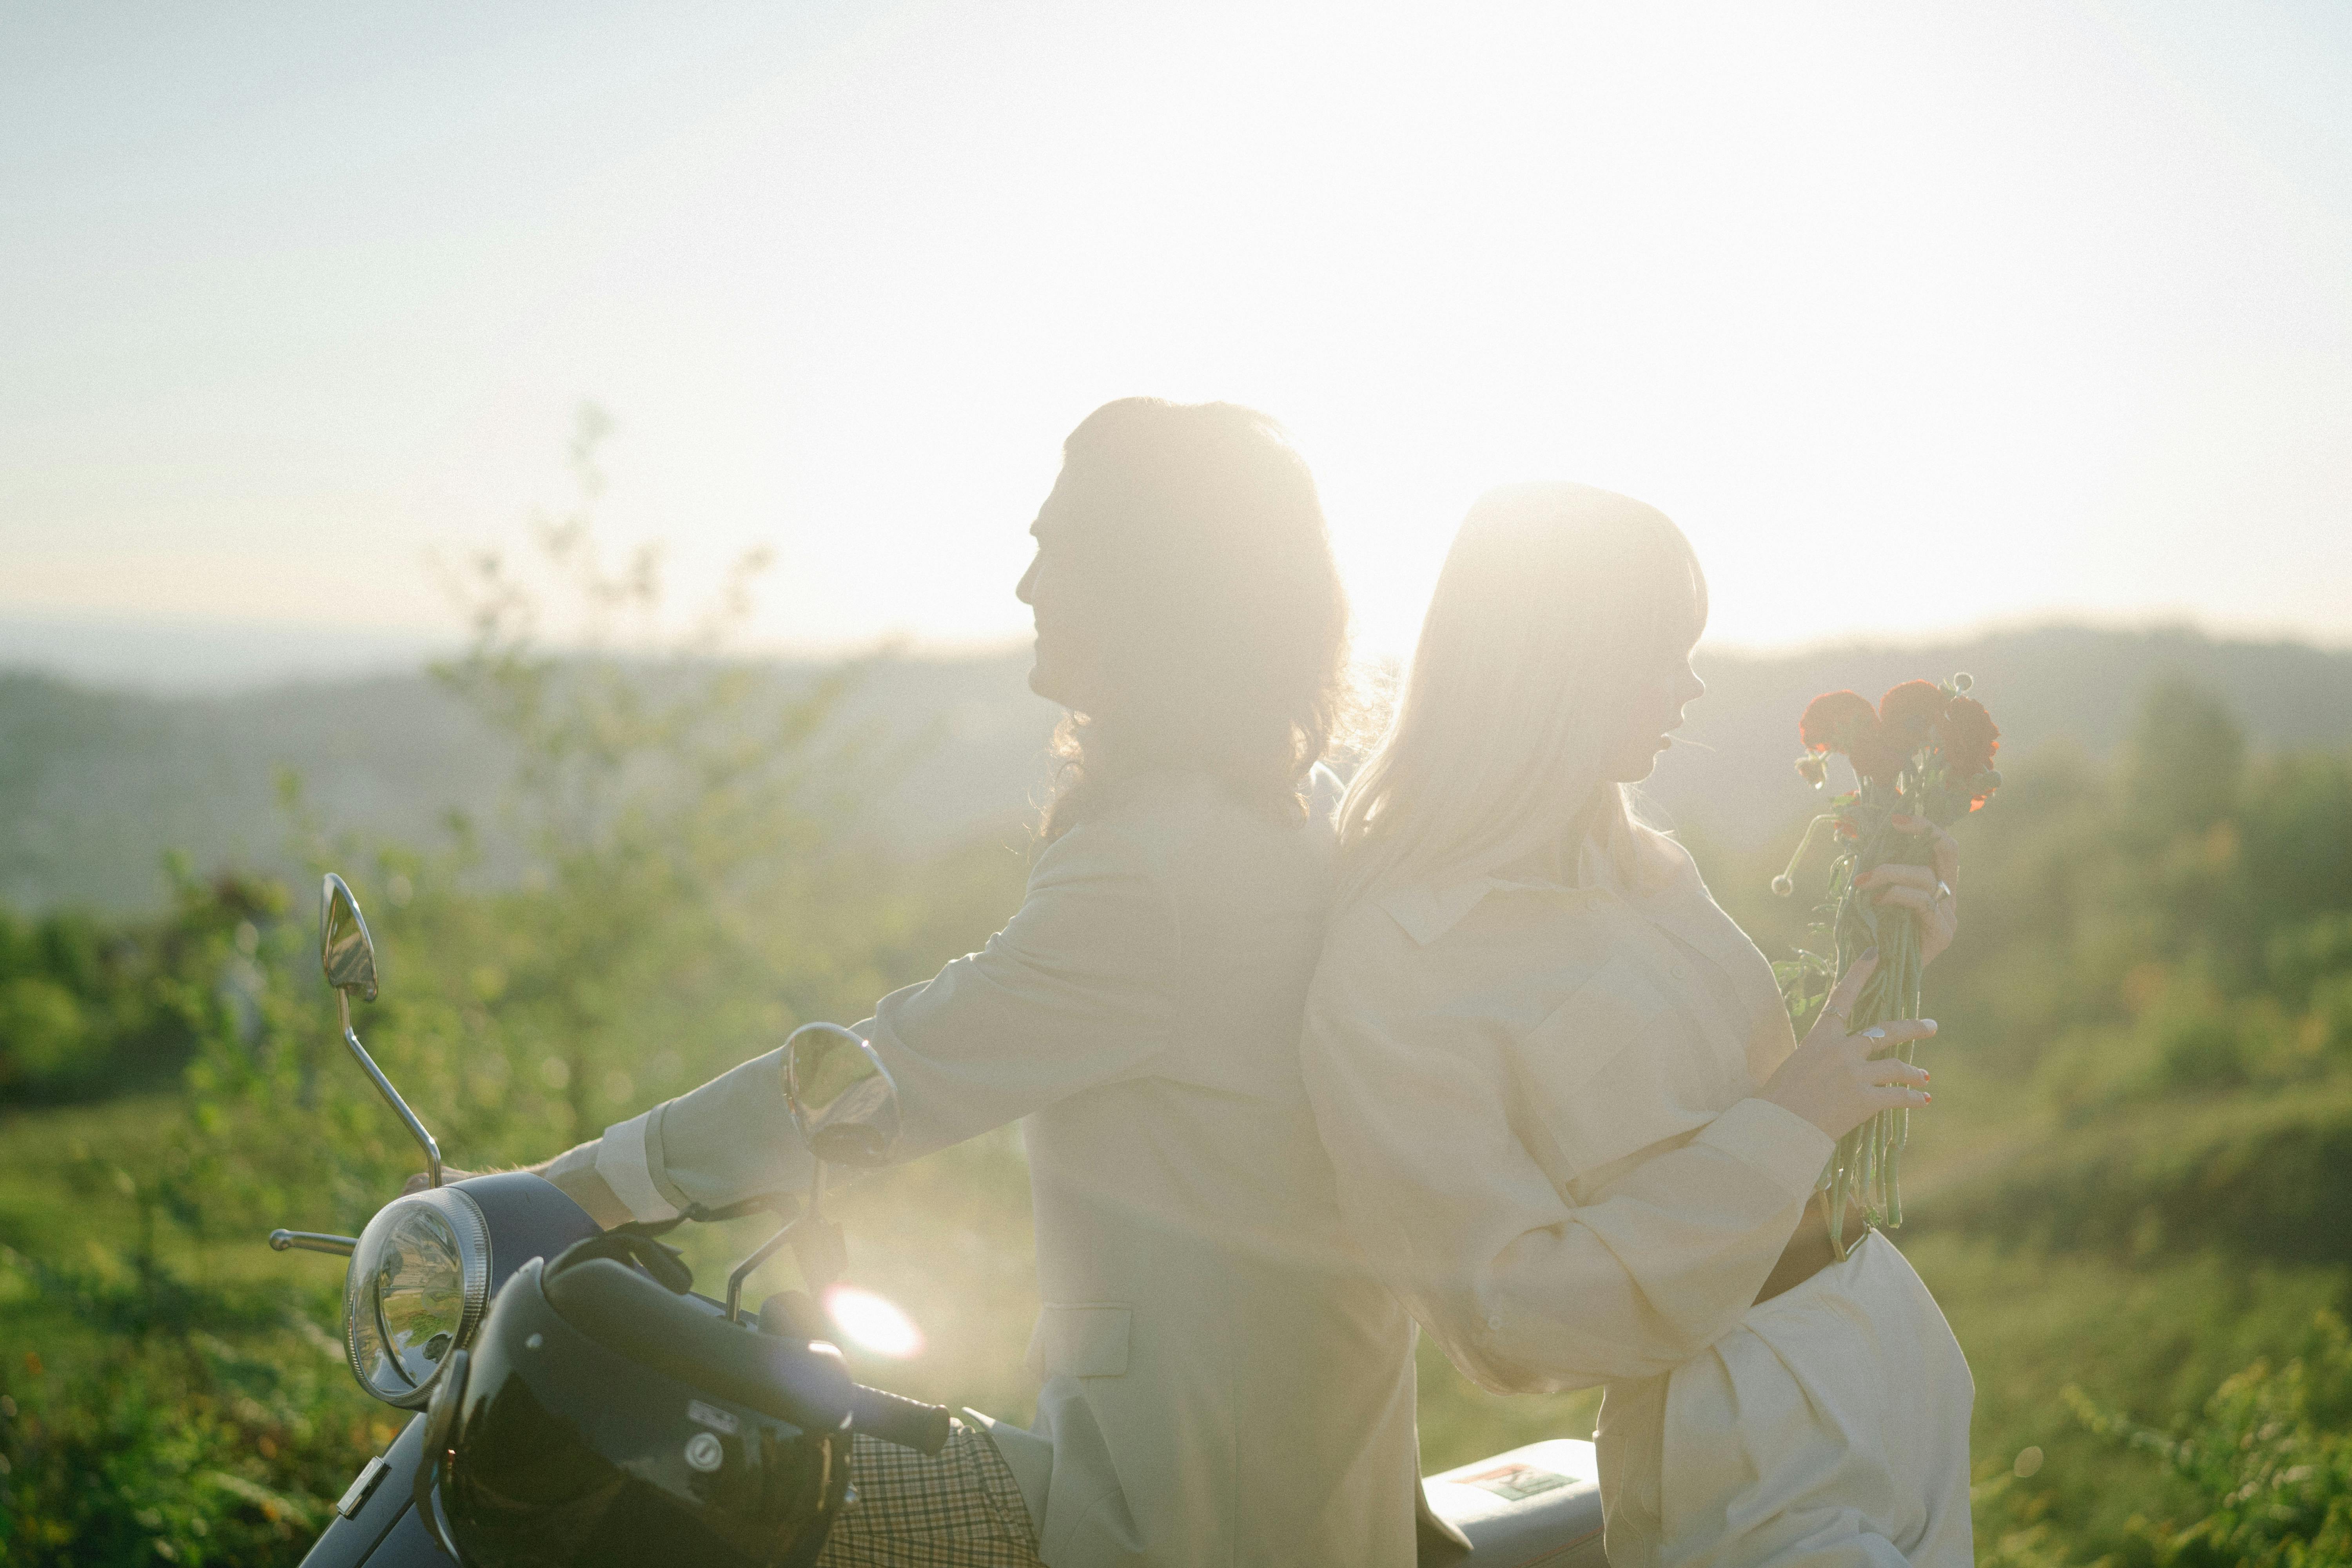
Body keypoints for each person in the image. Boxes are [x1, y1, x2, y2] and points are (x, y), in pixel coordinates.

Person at [510, 399, 1428, 1567]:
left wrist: (573, 1189)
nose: (1026, 587)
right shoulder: (1296, 806)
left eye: (1058, 549)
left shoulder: (1157, 873)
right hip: (1278, 1493)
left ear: (1159, 591)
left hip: (1175, 1521)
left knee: (661, 1485)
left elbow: (879, 1075)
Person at [1299, 482, 1974, 1568]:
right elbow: (1508, 1318)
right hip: (1742, 1420)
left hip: (1884, 1350)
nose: (1692, 685)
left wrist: (1883, 965)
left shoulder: (1642, 864)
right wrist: (1791, 1126)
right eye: (1663, 650)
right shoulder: (1396, 963)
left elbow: (1746, 1103)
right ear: (1556, 662)